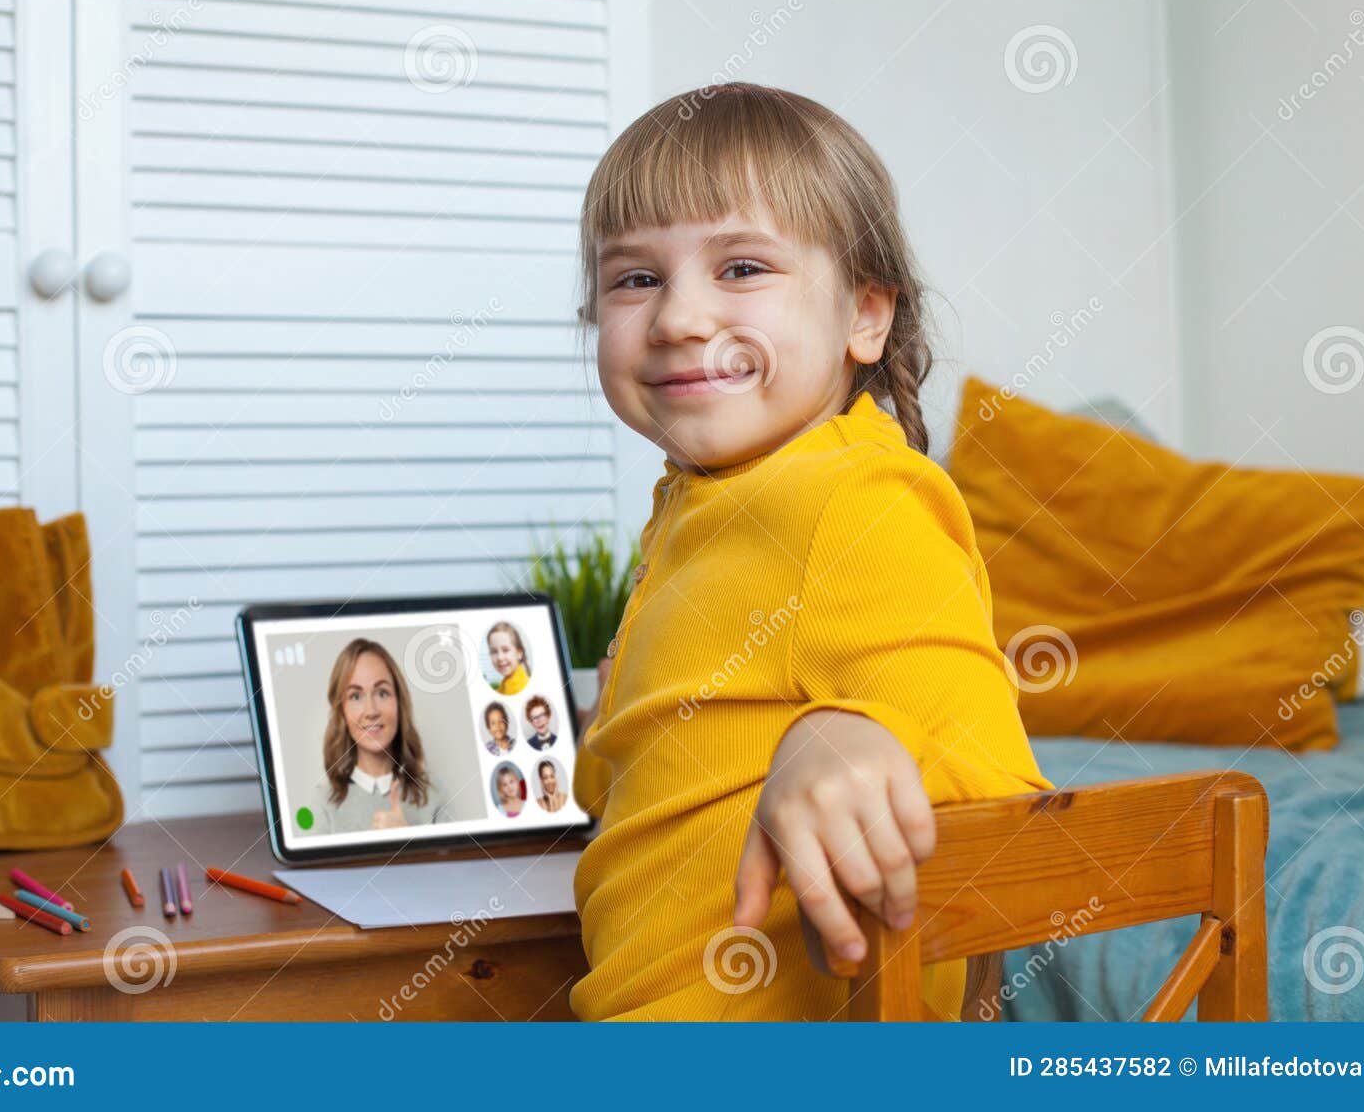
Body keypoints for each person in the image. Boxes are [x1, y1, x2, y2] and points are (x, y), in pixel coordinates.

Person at [567, 82, 1053, 1022]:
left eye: (742, 268)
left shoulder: (859, 498)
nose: (676, 318)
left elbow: (998, 789)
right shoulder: (698, 510)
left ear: (865, 319)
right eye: (634, 278)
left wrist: (847, 735)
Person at [313, 638, 448, 834]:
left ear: (399, 703)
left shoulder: (435, 794)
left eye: (382, 693)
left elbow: (456, 864)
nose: (371, 711)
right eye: (356, 696)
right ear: (342, 711)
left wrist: (408, 838)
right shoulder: (322, 802)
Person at [486, 621, 531, 694]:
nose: (500, 657)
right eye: (494, 651)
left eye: (505, 650)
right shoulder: (505, 684)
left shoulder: (517, 688)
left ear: (519, 654)